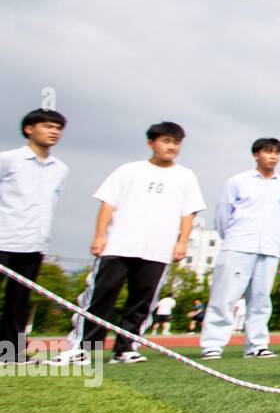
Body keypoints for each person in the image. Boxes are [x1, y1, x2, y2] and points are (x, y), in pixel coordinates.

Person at [61, 121, 205, 365]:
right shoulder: (129, 170)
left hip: (157, 250)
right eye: (166, 141)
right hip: (119, 245)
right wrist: (99, 236)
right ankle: (82, 348)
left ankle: (125, 348)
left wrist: (182, 243)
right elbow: (108, 203)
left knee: (142, 302)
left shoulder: (186, 176)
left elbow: (189, 213)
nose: (172, 147)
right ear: (151, 143)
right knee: (101, 296)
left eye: (177, 142)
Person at [199, 138, 280, 360]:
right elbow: (223, 215)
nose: (273, 156)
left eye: (277, 153)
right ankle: (212, 344)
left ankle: (257, 344)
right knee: (225, 296)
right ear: (256, 154)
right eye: (268, 152)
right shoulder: (238, 181)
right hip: (238, 245)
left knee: (261, 299)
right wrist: (232, 238)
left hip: (269, 248)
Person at [0, 109, 69, 364]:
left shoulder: (60, 169)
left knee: (19, 302)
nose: (54, 131)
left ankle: (11, 353)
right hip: (3, 240)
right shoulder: (8, 160)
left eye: (58, 128)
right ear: (29, 129)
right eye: (48, 126)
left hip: (32, 245)